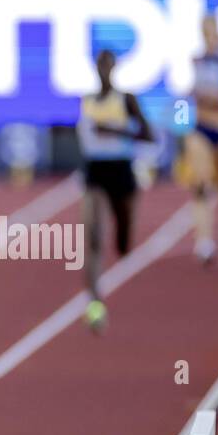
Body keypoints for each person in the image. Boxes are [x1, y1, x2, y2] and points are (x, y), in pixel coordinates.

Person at [76, 51, 153, 331]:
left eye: (107, 65)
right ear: (96, 68)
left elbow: (148, 135)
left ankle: (123, 242)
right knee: (93, 238)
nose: (103, 70)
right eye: (100, 65)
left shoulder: (126, 99)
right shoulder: (86, 100)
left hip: (121, 171)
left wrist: (115, 131)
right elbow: (84, 134)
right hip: (95, 171)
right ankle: (95, 303)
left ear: (114, 68)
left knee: (122, 242)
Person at [186, 14, 218, 265]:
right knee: (202, 184)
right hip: (201, 127)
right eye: (205, 34)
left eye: (212, 33)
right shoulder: (197, 60)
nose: (209, 38)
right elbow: (190, 93)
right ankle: (204, 241)